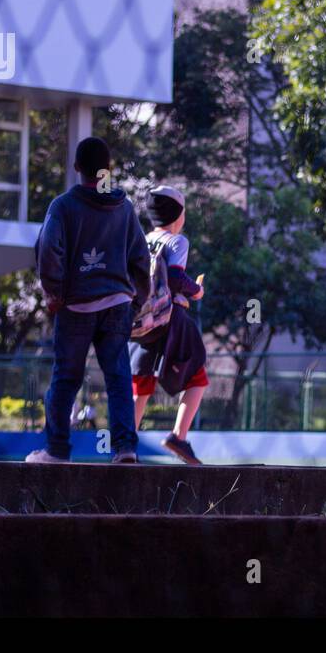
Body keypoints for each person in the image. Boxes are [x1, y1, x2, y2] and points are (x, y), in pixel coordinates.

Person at [27, 137, 150, 465]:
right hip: (117, 305)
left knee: (66, 379)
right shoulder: (124, 208)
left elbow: (48, 250)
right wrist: (137, 301)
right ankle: (125, 448)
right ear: (108, 168)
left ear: (77, 167)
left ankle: (56, 451)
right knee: (119, 377)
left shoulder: (63, 206)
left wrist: (56, 293)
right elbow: (141, 257)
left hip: (77, 306)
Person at [129, 185, 209, 466]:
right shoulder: (177, 241)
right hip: (169, 321)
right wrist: (195, 292)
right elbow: (175, 278)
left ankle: (126, 444)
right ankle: (179, 435)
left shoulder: (141, 239)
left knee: (141, 380)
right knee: (198, 371)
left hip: (139, 321)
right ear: (178, 215)